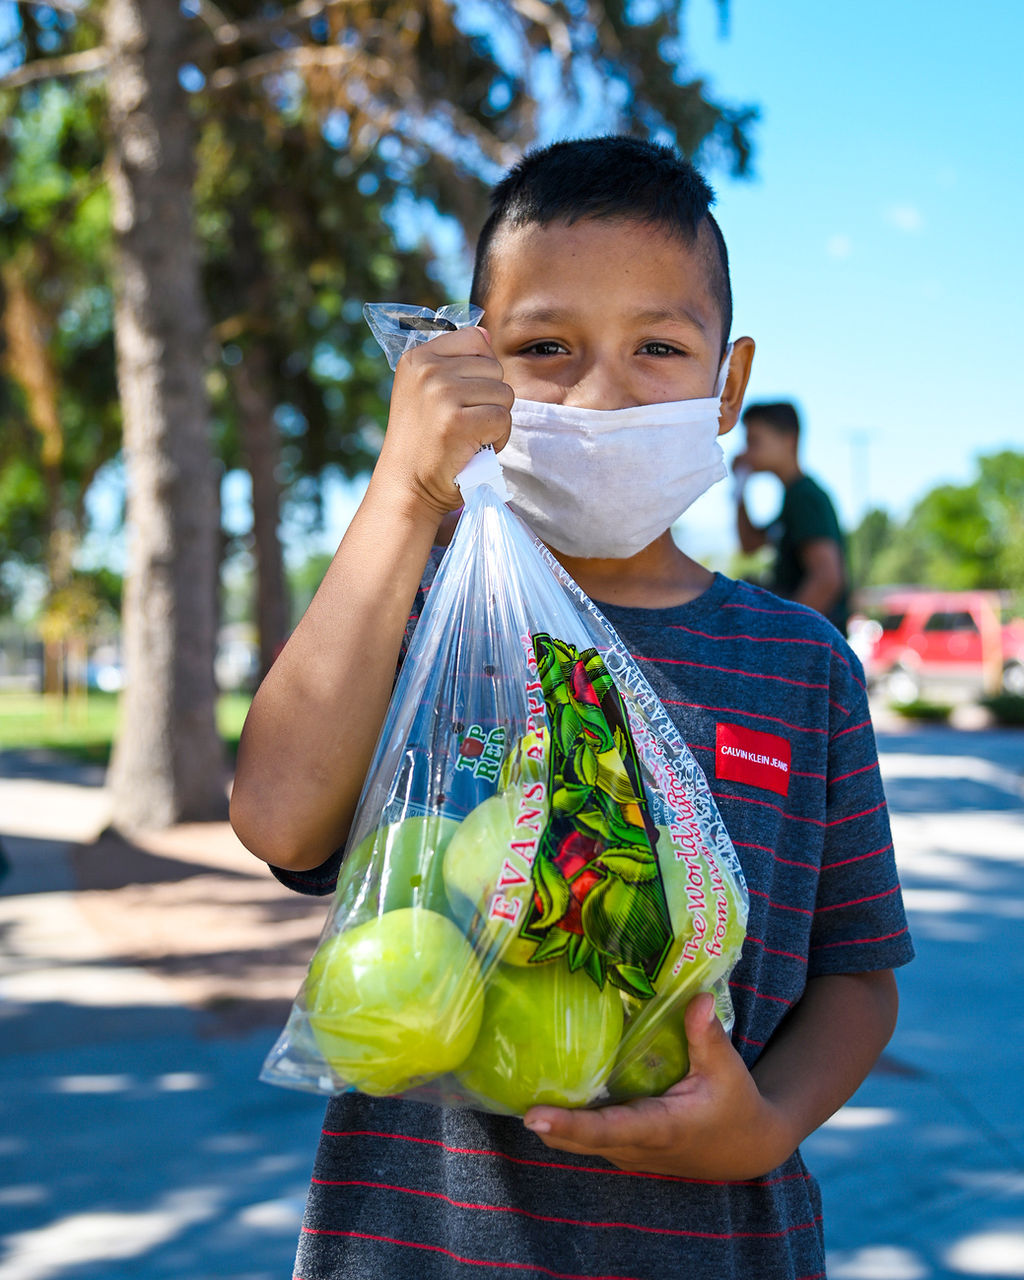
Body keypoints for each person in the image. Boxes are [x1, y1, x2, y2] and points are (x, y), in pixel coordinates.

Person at [230, 135, 913, 1280]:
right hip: (420, 1249)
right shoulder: (417, 619)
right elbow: (278, 818)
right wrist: (405, 491)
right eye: (543, 347)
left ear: (727, 385)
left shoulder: (802, 665)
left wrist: (771, 1120)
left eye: (658, 346)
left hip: (717, 1245)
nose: (599, 389)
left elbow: (858, 972)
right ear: (467, 361)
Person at [734, 400, 850, 633]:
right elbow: (750, 545)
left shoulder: (804, 496)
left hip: (815, 644)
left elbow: (828, 579)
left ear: (789, 440)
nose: (746, 452)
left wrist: (784, 634)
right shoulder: (790, 497)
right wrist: (739, 489)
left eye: (754, 441)